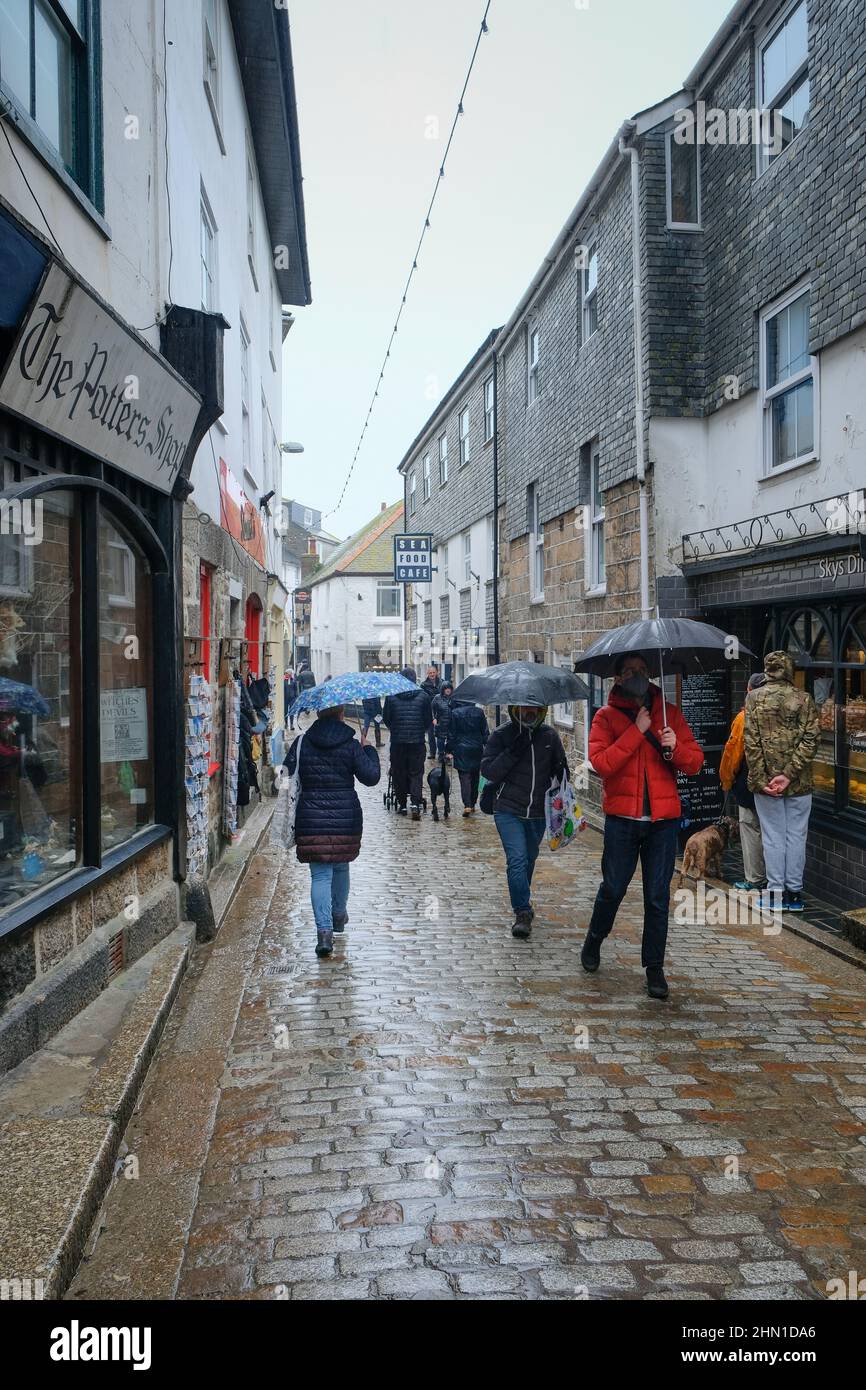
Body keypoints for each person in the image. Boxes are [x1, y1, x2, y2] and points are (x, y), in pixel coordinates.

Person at [580, 654, 704, 999]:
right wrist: (637, 732)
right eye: (631, 671)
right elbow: (602, 764)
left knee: (657, 898)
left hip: (662, 823)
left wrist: (675, 746)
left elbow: (695, 763)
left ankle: (654, 969)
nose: (638, 676)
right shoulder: (605, 718)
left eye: (644, 671)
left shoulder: (670, 714)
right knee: (614, 888)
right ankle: (594, 938)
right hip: (622, 821)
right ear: (617, 678)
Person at [284, 705, 380, 957]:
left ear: (318, 714)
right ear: (340, 714)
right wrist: (368, 748)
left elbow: (284, 777)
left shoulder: (302, 743)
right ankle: (338, 916)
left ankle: (324, 934)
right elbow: (371, 777)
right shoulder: (350, 745)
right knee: (341, 866)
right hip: (345, 818)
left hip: (311, 818)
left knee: (320, 876)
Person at [480, 705, 568, 939]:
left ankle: (522, 898)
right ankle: (522, 912)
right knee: (517, 860)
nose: (529, 711)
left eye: (534, 708)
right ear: (514, 708)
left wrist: (561, 769)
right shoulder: (502, 735)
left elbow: (562, 773)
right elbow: (488, 770)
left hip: (538, 813)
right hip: (507, 809)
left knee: (528, 860)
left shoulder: (549, 736)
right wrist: (513, 750)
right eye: (523, 707)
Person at [744, 650, 819, 914]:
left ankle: (775, 893)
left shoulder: (753, 698)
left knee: (773, 837)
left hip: (766, 784)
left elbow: (750, 743)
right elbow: (811, 740)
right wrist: (788, 774)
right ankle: (795, 894)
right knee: (796, 835)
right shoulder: (804, 699)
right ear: (789, 670)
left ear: (767, 670)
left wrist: (762, 779)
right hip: (799, 783)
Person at [719, 672, 768, 892]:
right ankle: (776, 880)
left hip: (749, 784)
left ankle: (755, 879)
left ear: (748, 690)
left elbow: (732, 754)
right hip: (778, 784)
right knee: (773, 832)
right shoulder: (779, 714)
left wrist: (726, 780)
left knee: (751, 829)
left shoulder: (744, 717)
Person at [383, 666, 433, 819]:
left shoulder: (391, 697)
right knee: (416, 772)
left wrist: (396, 729)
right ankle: (415, 803)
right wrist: (419, 730)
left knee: (399, 772)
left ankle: (402, 804)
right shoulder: (423, 696)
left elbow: (387, 718)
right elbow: (427, 720)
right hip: (417, 741)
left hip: (398, 742)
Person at [447, 698, 489, 816]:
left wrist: (448, 749)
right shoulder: (479, 712)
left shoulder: (455, 713)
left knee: (464, 777)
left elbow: (452, 734)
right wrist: (488, 746)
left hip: (461, 748)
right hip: (476, 747)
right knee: (475, 775)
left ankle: (467, 804)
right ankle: (473, 802)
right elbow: (485, 732)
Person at [421, 666, 442, 757]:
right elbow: (422, 698)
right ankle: (432, 752)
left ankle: (442, 753)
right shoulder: (423, 685)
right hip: (429, 711)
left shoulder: (442, 683)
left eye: (434, 672)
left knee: (442, 733)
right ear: (427, 674)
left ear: (437, 672)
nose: (432, 674)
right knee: (431, 733)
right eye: (430, 673)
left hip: (441, 711)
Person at [431, 681, 455, 758]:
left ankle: (448, 754)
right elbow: (431, 709)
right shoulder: (437, 698)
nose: (448, 690)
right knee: (440, 739)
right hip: (441, 722)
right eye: (446, 688)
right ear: (443, 689)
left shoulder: (454, 698)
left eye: (449, 688)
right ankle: (441, 755)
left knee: (451, 740)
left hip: (451, 723)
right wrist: (434, 718)